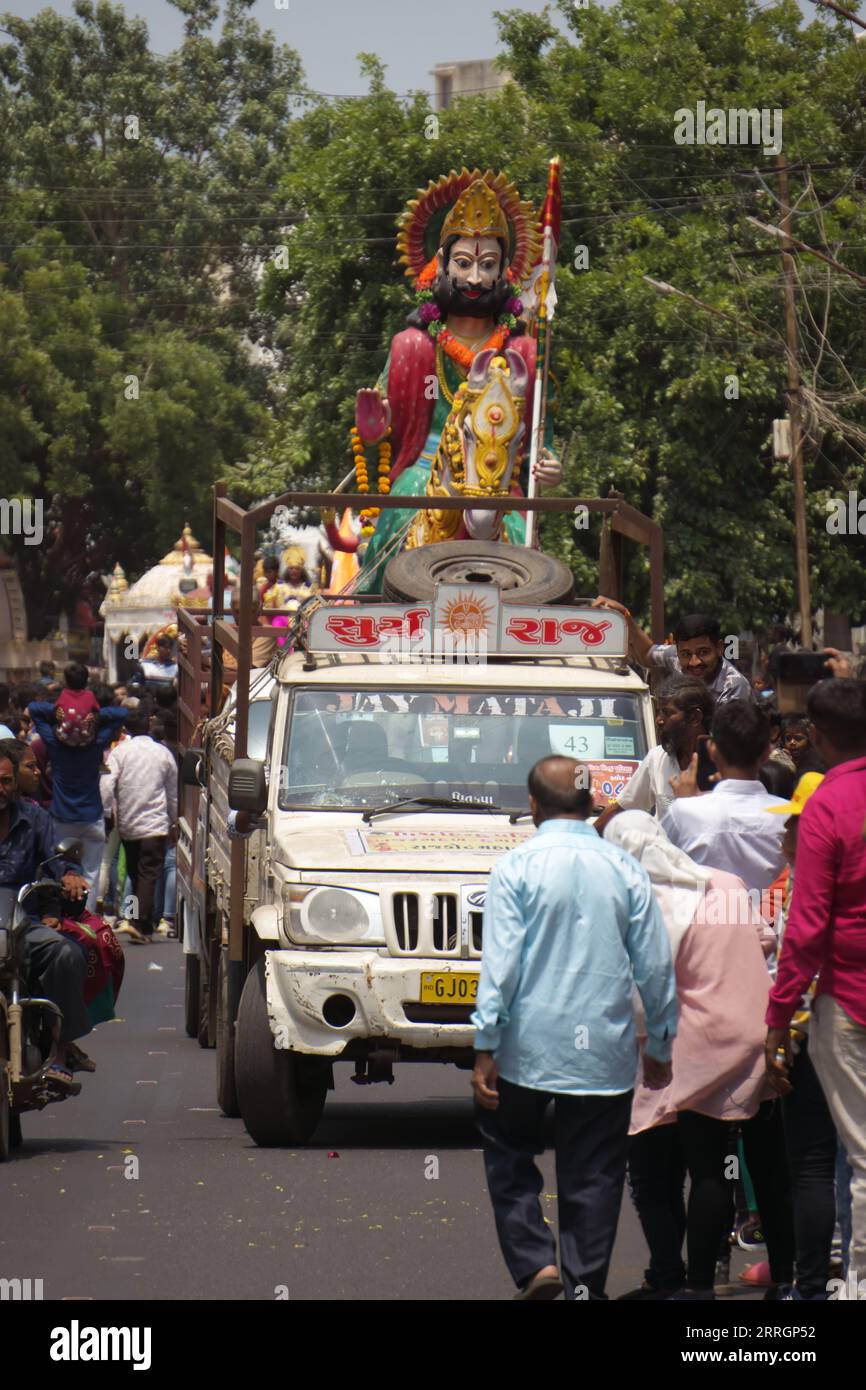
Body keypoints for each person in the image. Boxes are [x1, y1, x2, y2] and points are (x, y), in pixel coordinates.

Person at [471, 756, 677, 1301]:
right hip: (602, 1056)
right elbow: (655, 965)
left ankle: (536, 1263)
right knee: (593, 1177)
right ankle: (584, 1287)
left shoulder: (515, 867)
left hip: (524, 1050)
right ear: (591, 806)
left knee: (510, 1154)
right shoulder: (625, 869)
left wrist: (486, 1042)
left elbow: (501, 966)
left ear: (533, 807)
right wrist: (659, 1040)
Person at [603, 812, 789, 1300]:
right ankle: (782, 1278)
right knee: (757, 1167)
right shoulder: (725, 882)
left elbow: (642, 990)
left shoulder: (644, 899)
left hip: (687, 1045)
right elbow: (766, 938)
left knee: (682, 1172)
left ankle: (685, 1280)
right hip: (755, 1035)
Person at [765, 679, 866, 1299]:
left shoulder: (828, 803)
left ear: (821, 737)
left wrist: (780, 1014)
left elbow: (807, 925)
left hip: (849, 1006)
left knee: (861, 1155)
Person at [0, 749, 92, 1086]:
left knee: (65, 954)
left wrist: (69, 874)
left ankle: (62, 1048)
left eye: (6, 781)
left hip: (22, 924)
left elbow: (58, 857)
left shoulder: (34, 818)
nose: (1, 788)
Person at [661, 700, 787, 895]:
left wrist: (684, 805)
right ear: (766, 753)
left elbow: (660, 872)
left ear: (712, 749)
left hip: (704, 923)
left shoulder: (683, 813)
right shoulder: (790, 817)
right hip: (768, 923)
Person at [28, 686, 128, 912]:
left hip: (61, 819)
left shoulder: (50, 744)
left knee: (59, 870)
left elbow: (34, 710)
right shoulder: (93, 744)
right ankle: (86, 917)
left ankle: (61, 914)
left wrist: (55, 711)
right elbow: (121, 715)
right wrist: (92, 714)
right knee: (91, 871)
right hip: (91, 818)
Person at [595, 675, 714, 835]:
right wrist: (585, 837)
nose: (659, 720)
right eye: (659, 712)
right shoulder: (657, 757)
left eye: (667, 713)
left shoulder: (724, 764)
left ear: (695, 718)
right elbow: (622, 808)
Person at [101, 707, 178, 942]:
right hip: (155, 825)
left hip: (128, 825)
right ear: (150, 725)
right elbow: (173, 794)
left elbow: (106, 785)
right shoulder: (162, 753)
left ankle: (140, 925)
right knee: (148, 875)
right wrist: (174, 821)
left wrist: (106, 813)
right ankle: (137, 921)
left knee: (136, 875)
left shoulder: (119, 753)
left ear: (126, 728)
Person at [590, 602, 754, 704]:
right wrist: (625, 615)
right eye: (686, 654)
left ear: (719, 648)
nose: (694, 662)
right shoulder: (674, 657)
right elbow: (647, 653)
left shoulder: (734, 686)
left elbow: (725, 744)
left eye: (703, 652)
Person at [52, 662, 100, 745]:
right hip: (87, 739)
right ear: (86, 680)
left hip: (63, 738)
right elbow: (97, 711)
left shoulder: (63, 694)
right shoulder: (90, 695)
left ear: (66, 681)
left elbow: (55, 709)